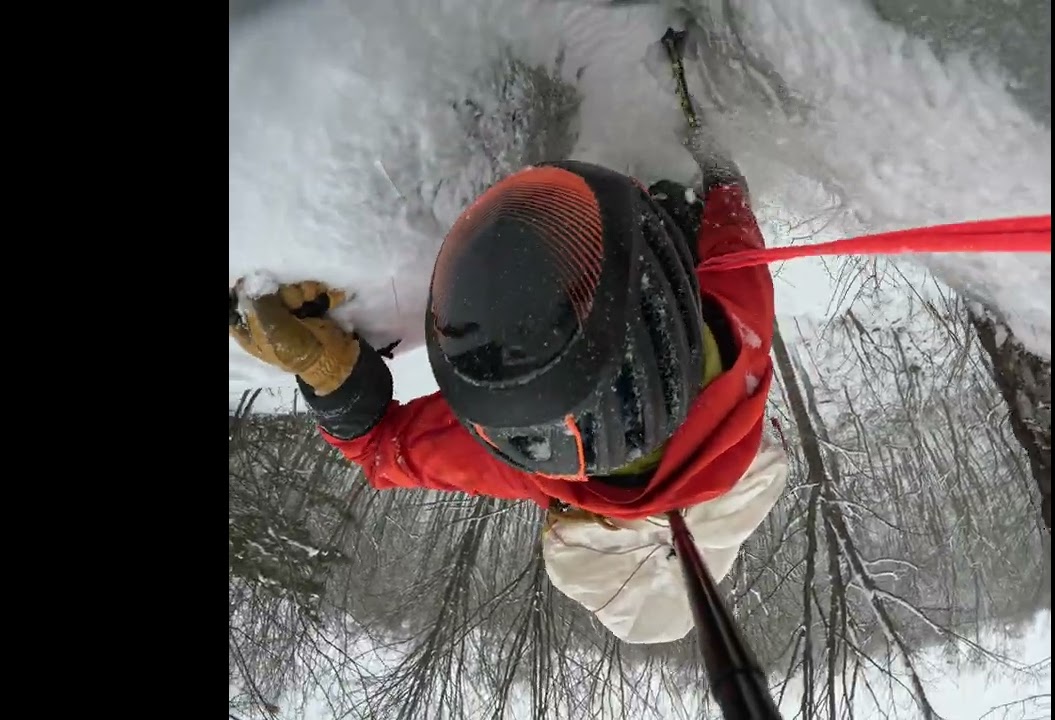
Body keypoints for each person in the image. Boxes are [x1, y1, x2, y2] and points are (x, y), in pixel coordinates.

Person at [231, 122, 790, 644]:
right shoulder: (540, 456)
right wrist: (326, 374)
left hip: (599, 211)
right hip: (555, 228)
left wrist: (711, 161)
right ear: (586, 523)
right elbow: (383, 450)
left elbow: (732, 226)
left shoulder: (742, 342)